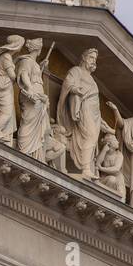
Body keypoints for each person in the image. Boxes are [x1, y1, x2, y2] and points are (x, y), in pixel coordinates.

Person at [55, 48, 102, 179]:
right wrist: (76, 90)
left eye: (95, 59)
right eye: (91, 57)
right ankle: (86, 169)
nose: (94, 61)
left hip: (94, 114)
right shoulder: (76, 71)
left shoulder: (92, 79)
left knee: (92, 138)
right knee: (90, 135)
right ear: (84, 58)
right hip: (83, 107)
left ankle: (88, 168)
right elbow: (68, 83)